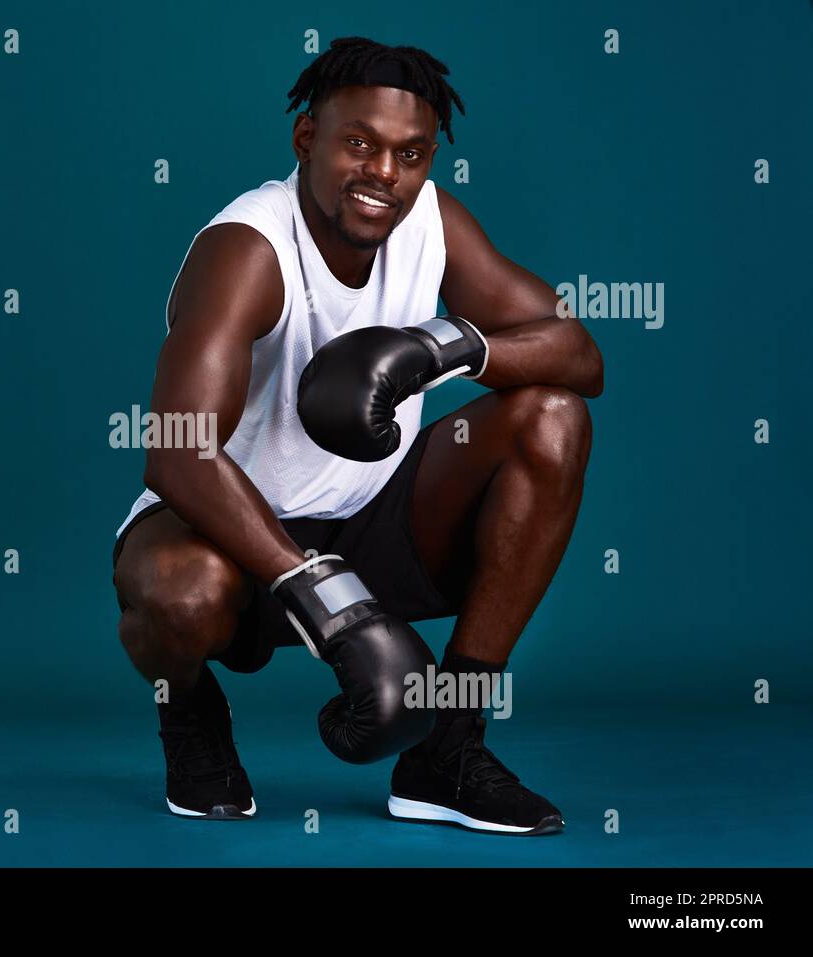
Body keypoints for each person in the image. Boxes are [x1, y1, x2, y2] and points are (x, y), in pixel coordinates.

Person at [111, 37, 602, 835]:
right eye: (360, 143)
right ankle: (190, 716)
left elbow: (579, 351)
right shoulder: (247, 248)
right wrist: (334, 607)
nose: (385, 173)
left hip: (374, 515)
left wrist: (443, 347)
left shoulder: (432, 221)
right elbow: (175, 449)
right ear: (307, 139)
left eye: (410, 154)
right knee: (183, 597)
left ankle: (448, 749)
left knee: (552, 416)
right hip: (230, 534)